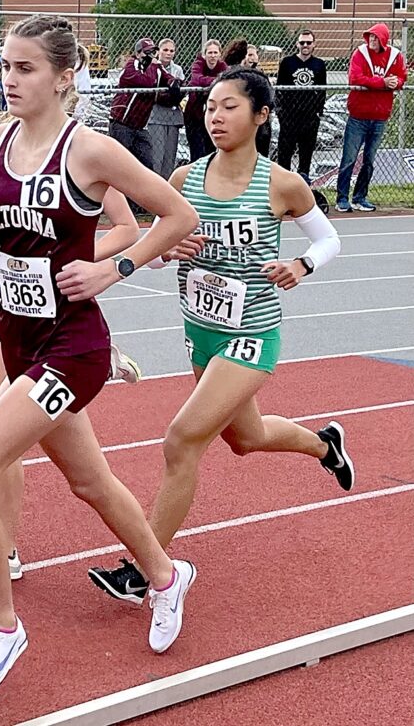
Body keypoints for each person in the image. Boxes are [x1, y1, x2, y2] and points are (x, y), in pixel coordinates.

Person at [0, 14, 200, 695]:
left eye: (25, 68)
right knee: (90, 483)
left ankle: (2, 628)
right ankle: (167, 576)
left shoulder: (90, 151)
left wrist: (116, 269)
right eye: (4, 66)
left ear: (65, 77)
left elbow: (177, 217)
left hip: (74, 346)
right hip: (17, 334)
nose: (9, 79)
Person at [87, 68, 354, 605]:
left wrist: (302, 263)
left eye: (229, 106)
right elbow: (158, 250)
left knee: (182, 440)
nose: (216, 116)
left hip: (252, 331)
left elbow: (329, 240)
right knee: (244, 439)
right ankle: (324, 444)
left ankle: (145, 569)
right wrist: (171, 252)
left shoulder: (280, 182)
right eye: (210, 106)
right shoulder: (185, 179)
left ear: (261, 115)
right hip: (201, 330)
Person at [0, 185, 143, 591]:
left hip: (63, 325)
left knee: (4, 437)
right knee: (71, 471)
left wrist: (83, 261)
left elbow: (127, 228)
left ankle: (3, 568)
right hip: (16, 315)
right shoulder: (0, 148)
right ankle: (5, 550)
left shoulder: (82, 156)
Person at [336, 23, 406, 213]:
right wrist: (382, 82)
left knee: (369, 159)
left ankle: (360, 197)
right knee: (349, 158)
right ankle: (342, 198)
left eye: (376, 38)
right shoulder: (360, 53)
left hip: (380, 116)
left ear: (383, 40)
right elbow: (355, 78)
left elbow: (402, 77)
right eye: (370, 37)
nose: (372, 41)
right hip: (358, 116)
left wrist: (395, 82)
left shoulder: (394, 56)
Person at [108, 37, 178, 171]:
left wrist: (174, 83)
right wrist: (153, 65)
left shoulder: (155, 68)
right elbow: (146, 82)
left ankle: (140, 191)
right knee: (120, 166)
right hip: (122, 124)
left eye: (153, 53)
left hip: (139, 127)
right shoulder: (132, 65)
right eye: (147, 53)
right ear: (139, 53)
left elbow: (167, 77)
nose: (151, 56)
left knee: (146, 165)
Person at [275, 30, 327, 185]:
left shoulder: (319, 64)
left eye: (308, 43)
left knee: (306, 153)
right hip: (289, 116)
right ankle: (283, 183)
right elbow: (280, 88)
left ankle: (303, 183)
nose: (305, 45)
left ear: (314, 45)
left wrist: (318, 111)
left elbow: (322, 90)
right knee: (285, 152)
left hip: (309, 117)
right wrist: (281, 113)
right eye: (302, 42)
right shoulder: (287, 62)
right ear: (297, 44)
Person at [147, 38, 185, 180]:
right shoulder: (152, 67)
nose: (168, 53)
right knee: (157, 157)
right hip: (156, 115)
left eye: (171, 51)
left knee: (170, 158)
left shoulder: (177, 70)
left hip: (173, 116)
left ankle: (168, 188)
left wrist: (171, 95)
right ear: (158, 52)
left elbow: (180, 91)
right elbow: (152, 91)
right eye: (165, 50)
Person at [183, 39, 227, 161]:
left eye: (215, 53)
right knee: (197, 153)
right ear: (204, 54)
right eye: (210, 53)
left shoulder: (222, 66)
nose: (212, 56)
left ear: (219, 54)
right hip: (194, 116)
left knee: (211, 152)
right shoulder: (198, 64)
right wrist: (216, 82)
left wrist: (207, 83)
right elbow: (197, 79)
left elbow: (227, 79)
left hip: (212, 116)